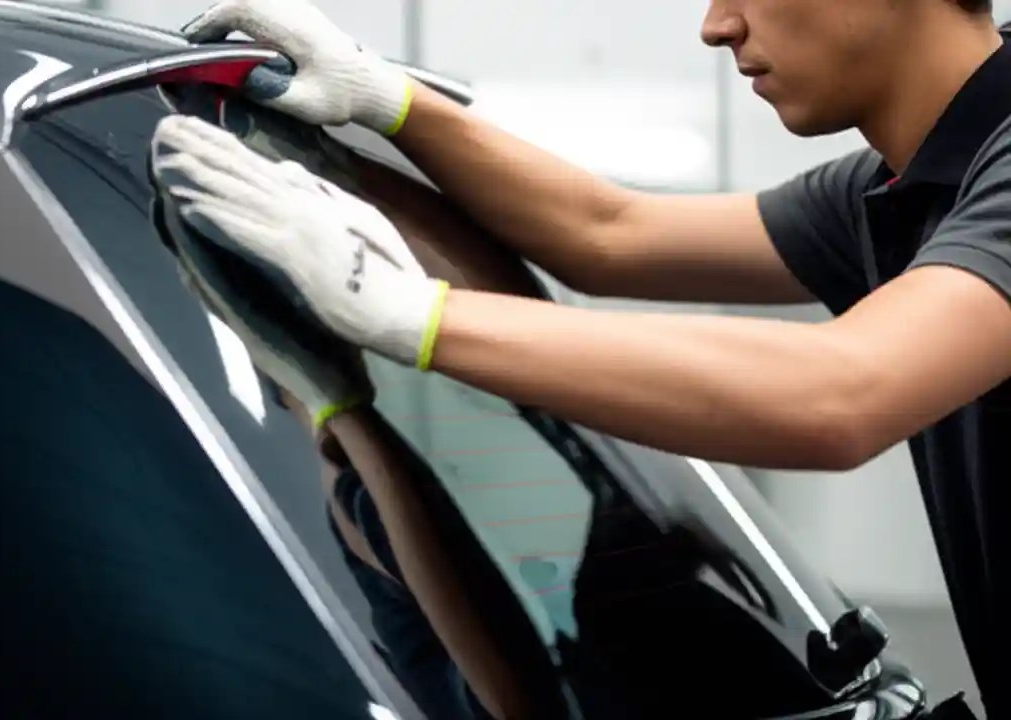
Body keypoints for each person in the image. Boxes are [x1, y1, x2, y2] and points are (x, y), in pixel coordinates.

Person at [151, 0, 1010, 716]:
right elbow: (608, 236)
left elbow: (843, 393)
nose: (717, 25)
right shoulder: (898, 191)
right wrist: (387, 98)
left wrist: (403, 309)